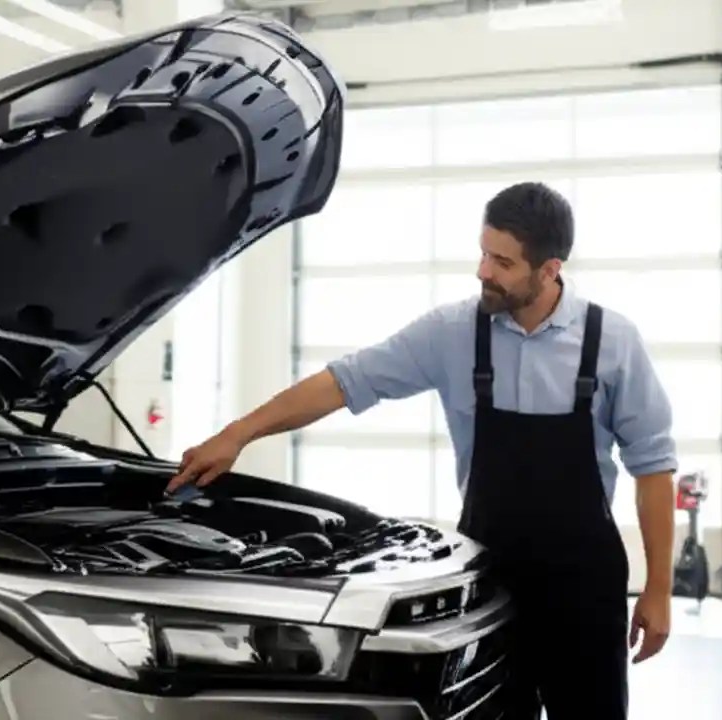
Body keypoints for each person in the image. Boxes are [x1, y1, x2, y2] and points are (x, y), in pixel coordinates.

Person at [167, 181, 678, 720]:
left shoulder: (612, 341)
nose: (484, 271)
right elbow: (344, 382)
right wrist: (239, 433)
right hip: (490, 584)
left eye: (502, 262)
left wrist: (660, 590)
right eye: (483, 252)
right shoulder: (452, 332)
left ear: (549, 270)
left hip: (584, 586)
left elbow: (653, 468)